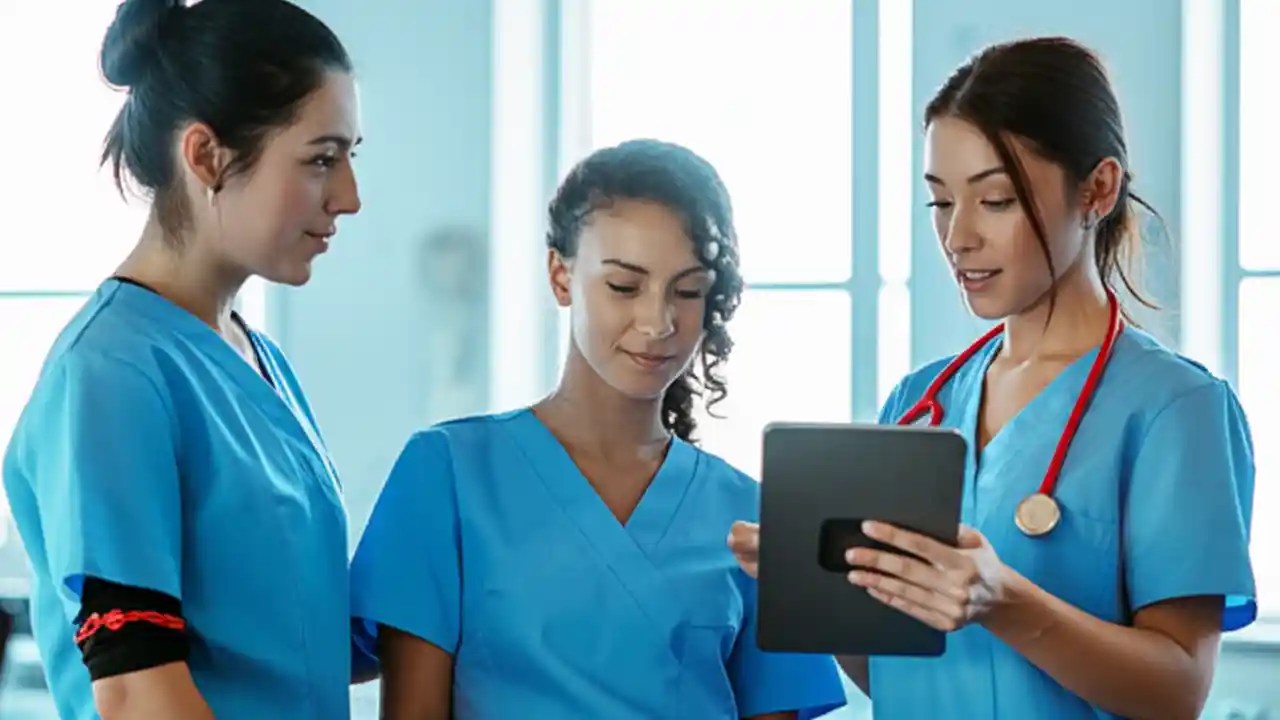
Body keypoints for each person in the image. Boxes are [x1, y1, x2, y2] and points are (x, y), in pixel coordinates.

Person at [729, 36, 1255, 720]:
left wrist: (1004, 603)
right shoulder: (919, 403)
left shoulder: (1174, 408)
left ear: (1098, 187)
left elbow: (1177, 689)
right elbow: (893, 672)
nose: (958, 238)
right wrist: (812, 586)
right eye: (941, 204)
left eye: (996, 201)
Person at [349, 139, 848, 719]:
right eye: (624, 286)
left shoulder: (751, 518)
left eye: (687, 290)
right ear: (561, 275)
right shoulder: (447, 473)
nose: (658, 322)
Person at [1, 0, 361, 717]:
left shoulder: (255, 360)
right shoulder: (110, 374)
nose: (349, 197)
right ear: (206, 155)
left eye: (352, 157)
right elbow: (138, 693)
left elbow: (289, 635)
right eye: (322, 159)